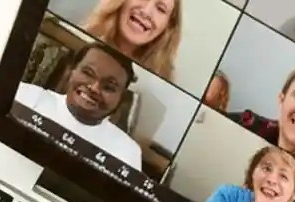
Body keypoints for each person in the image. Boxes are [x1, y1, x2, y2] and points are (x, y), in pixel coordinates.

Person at [15, 42, 144, 169]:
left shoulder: (127, 150)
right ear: (72, 71)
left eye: (109, 87)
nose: (94, 88)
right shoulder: (27, 96)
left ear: (121, 98)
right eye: (88, 73)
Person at [83, 0, 182, 82]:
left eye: (160, 9)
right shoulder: (81, 40)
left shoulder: (160, 82)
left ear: (168, 26)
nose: (146, 12)